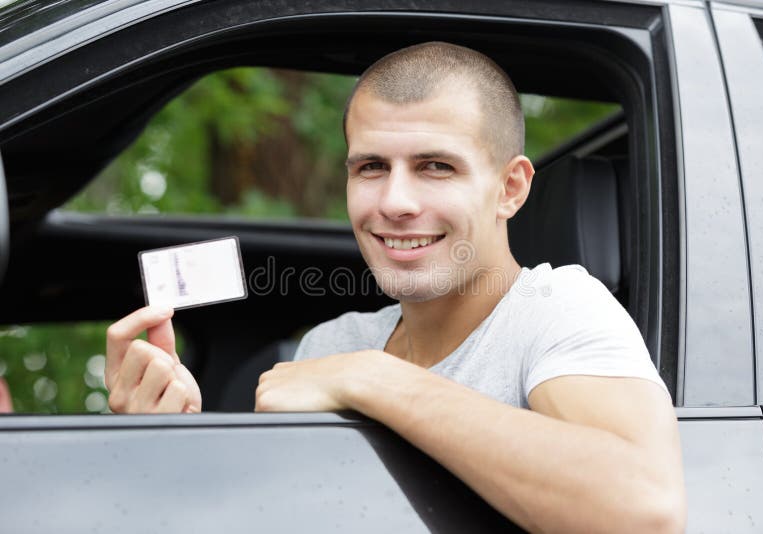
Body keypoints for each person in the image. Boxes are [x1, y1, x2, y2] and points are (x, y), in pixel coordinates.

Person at [105, 42, 687, 533]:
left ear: (510, 188)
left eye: (437, 166)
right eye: (371, 168)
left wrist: (375, 379)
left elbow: (644, 507)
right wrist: (166, 443)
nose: (395, 203)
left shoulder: (556, 309)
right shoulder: (331, 345)